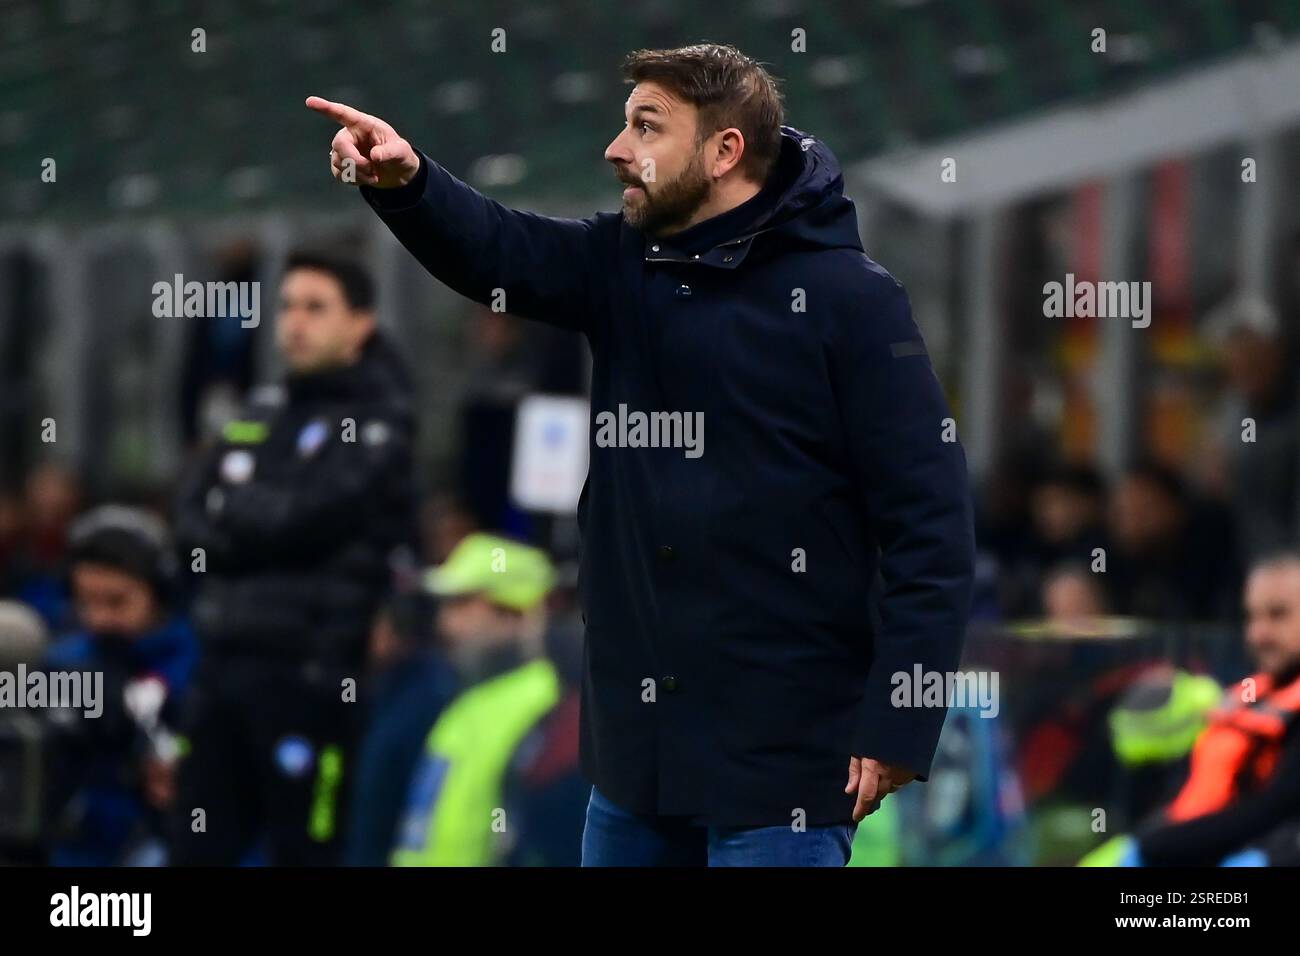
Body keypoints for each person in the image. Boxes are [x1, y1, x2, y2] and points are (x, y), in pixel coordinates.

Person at [309, 42, 975, 867]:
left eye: (646, 127)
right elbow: (499, 251)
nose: (617, 149)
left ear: (725, 151)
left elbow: (932, 527)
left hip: (783, 768)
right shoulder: (623, 264)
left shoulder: (851, 301)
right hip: (634, 764)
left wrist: (902, 720)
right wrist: (406, 182)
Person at [169, 252, 419, 865]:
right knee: (194, 849)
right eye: (285, 307)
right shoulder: (261, 409)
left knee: (306, 853)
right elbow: (188, 522)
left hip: (311, 678)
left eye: (315, 307)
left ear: (360, 323)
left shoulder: (382, 419)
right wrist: (248, 517)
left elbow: (302, 519)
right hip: (221, 668)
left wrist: (235, 509)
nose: (295, 323)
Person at [1081, 551, 1300, 866]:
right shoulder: (1245, 695)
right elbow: (1185, 789)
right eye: (1251, 617)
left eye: (1278, 615)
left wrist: (1158, 848)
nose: (1258, 634)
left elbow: (1274, 810)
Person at [43, 505, 198, 866]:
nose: (100, 619)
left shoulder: (198, 668)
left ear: (160, 592)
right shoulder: (60, 663)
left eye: (117, 602)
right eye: (87, 602)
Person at [391, 532, 558, 866]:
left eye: (463, 603)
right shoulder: (471, 701)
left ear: (516, 613)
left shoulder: (544, 710)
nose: (446, 622)